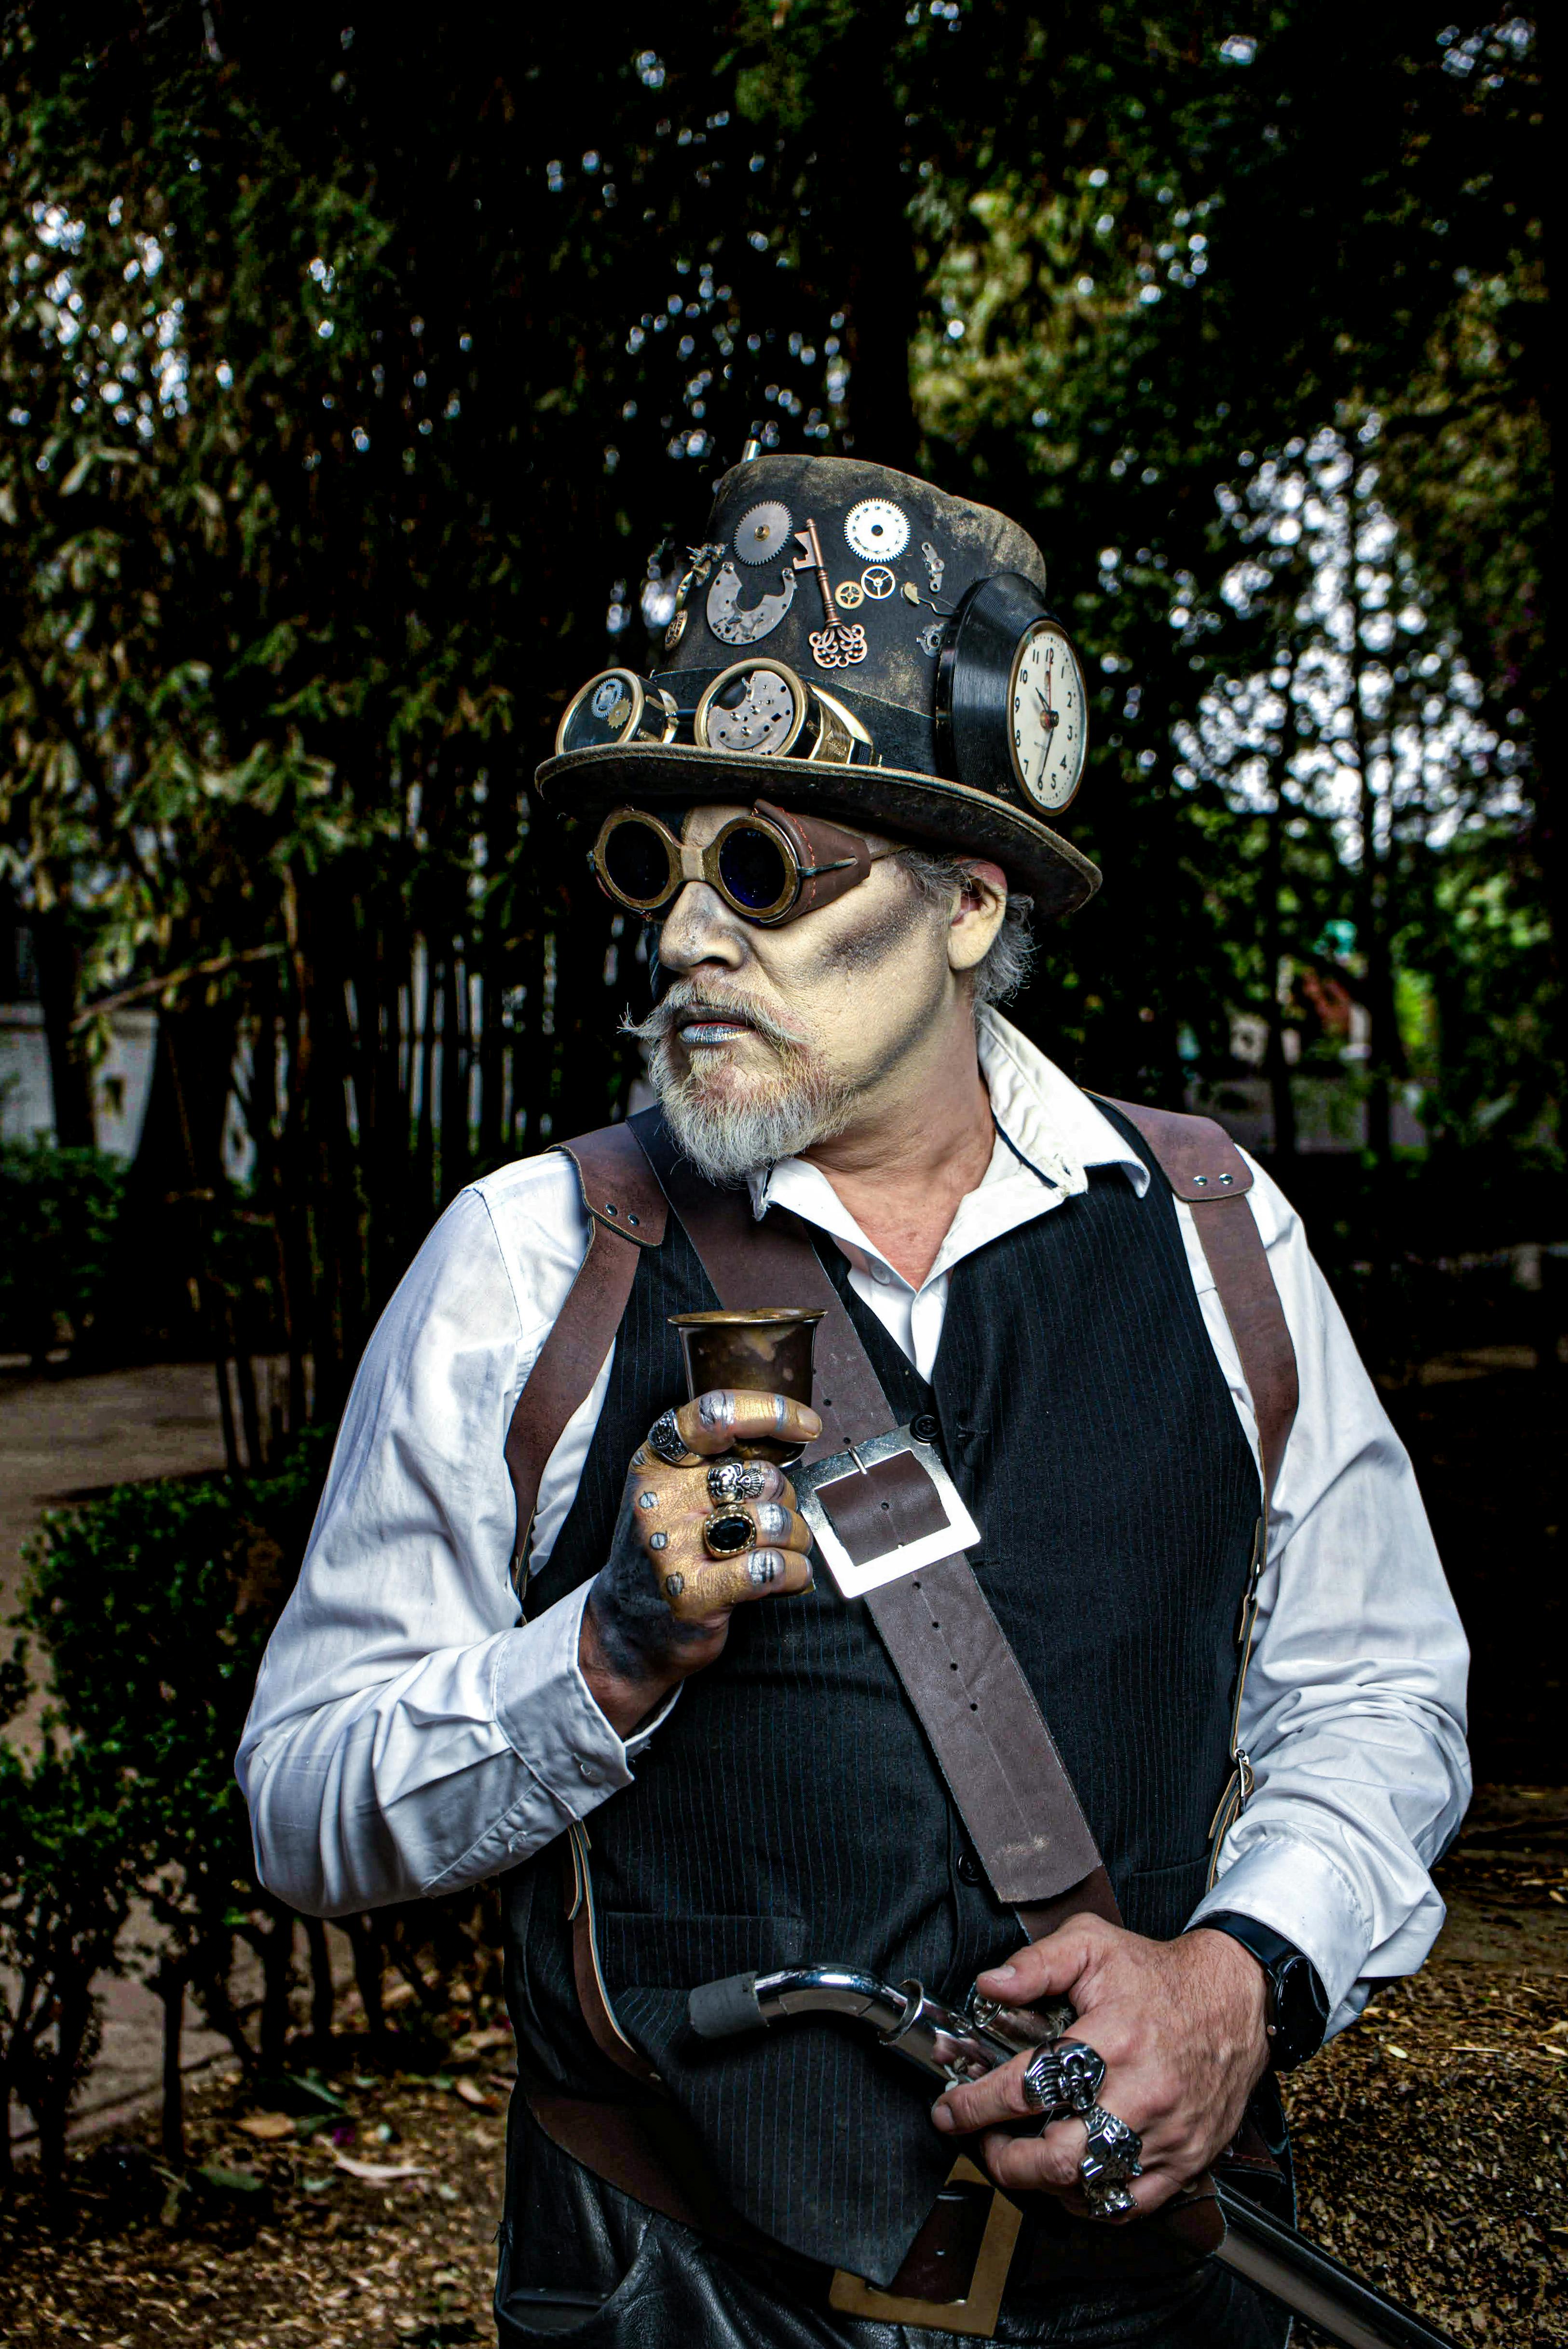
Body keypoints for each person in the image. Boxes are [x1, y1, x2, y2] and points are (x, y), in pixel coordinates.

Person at [238, 454, 1469, 2348]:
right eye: (656, 867)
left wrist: (1243, 1977)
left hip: (1159, 2297)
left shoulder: (1218, 1231)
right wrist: (604, 1658)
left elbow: (1380, 1693)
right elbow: (303, 1803)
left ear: (969, 904)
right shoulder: (529, 1258)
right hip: (687, 2298)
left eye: (764, 872)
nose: (683, 938)